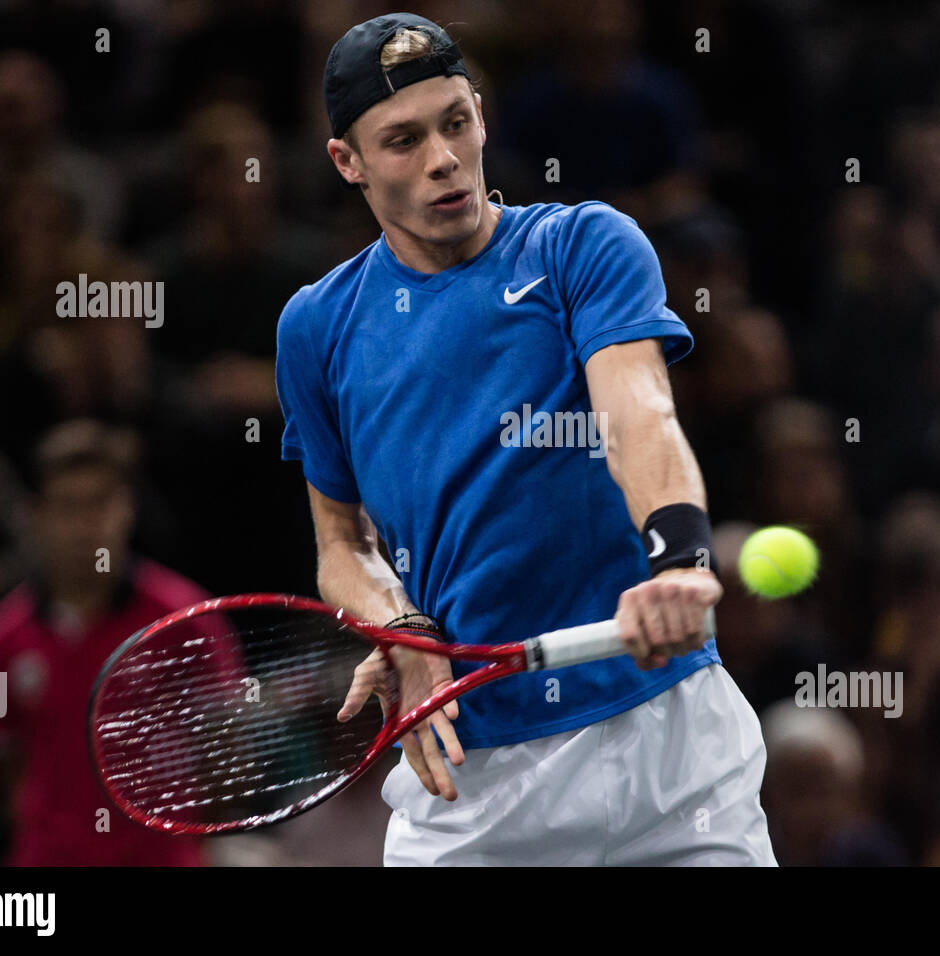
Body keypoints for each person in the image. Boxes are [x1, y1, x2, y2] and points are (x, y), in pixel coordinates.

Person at [275, 13, 774, 866]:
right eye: (402, 140)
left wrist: (680, 563)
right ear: (346, 162)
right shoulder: (317, 326)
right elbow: (341, 543)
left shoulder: (583, 244)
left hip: (673, 758)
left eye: (455, 122)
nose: (441, 158)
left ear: (480, 113)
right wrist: (404, 629)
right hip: (473, 779)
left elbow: (639, 413)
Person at [0, 420, 212, 865]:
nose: (87, 525)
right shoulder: (1, 638)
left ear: (129, 509)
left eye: (101, 503)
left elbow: (223, 749)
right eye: (68, 507)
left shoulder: (188, 621)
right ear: (35, 515)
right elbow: (6, 765)